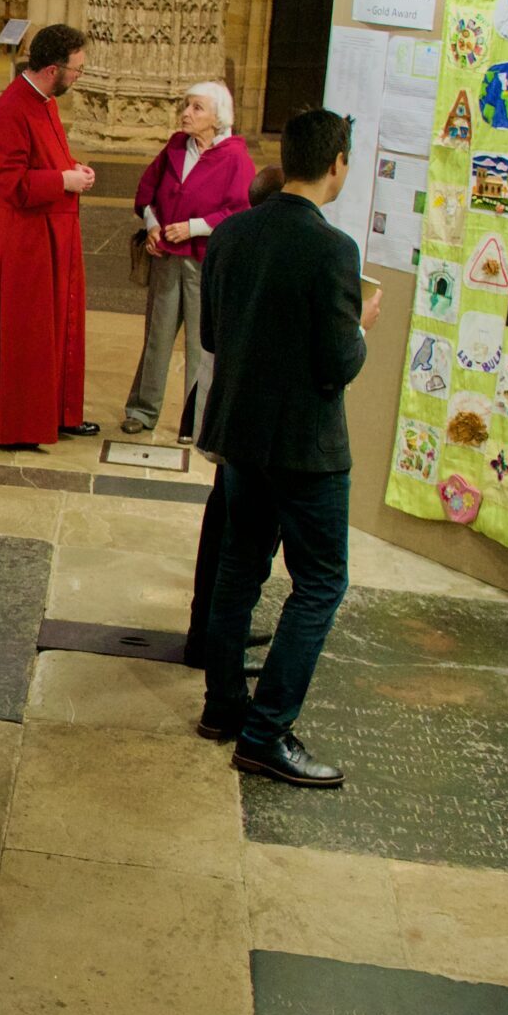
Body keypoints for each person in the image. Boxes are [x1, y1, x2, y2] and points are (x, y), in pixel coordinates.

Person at [196, 113, 378, 787]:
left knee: (238, 571)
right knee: (322, 582)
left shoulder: (234, 233)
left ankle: (222, 707)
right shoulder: (333, 251)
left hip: (241, 436)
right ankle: (266, 730)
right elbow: (339, 362)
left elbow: (214, 336)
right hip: (306, 449)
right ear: (337, 164)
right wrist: (358, 325)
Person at [0, 22, 98, 448]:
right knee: (28, 331)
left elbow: (50, 155)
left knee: (56, 326)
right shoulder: (11, 107)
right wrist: (64, 182)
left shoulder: (45, 103)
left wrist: (74, 167)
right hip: (26, 238)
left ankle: (55, 412)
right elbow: (9, 181)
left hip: (52, 232)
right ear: (53, 69)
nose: (78, 77)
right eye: (76, 70)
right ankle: (20, 423)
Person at [184, 162, 284, 667]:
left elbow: (207, 334)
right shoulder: (272, 250)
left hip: (225, 407)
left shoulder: (229, 240)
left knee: (222, 521)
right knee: (239, 538)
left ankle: (211, 629)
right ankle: (213, 638)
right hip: (251, 416)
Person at [125, 82, 254, 439]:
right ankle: (142, 409)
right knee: (157, 336)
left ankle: (194, 423)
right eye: (186, 106)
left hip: (204, 263)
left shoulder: (236, 158)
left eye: (197, 108)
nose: (186, 113)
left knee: (200, 344)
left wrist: (194, 228)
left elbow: (240, 210)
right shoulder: (176, 147)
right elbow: (147, 190)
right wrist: (152, 226)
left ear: (218, 118)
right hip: (167, 256)